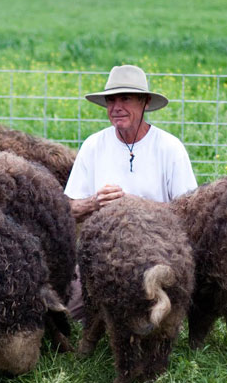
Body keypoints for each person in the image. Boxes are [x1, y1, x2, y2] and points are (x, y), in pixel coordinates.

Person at [64, 64, 198, 320]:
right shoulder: (94, 145)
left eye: (125, 98)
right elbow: (68, 209)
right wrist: (94, 202)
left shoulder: (169, 148)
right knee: (70, 315)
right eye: (111, 100)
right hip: (101, 253)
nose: (116, 107)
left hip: (156, 251)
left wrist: (140, 205)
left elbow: (189, 213)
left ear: (145, 102)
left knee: (146, 318)